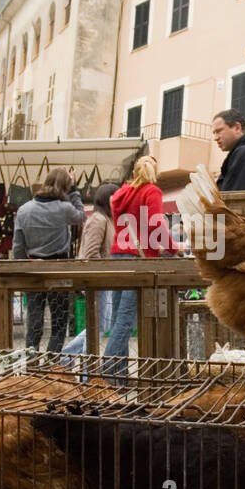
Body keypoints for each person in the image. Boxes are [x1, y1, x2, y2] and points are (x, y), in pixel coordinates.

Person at [104, 156, 173, 379]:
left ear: (134, 173)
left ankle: (119, 378)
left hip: (118, 255)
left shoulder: (122, 194)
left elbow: (122, 224)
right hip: (139, 258)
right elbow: (156, 222)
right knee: (126, 320)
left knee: (117, 318)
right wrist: (171, 247)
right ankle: (104, 376)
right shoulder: (151, 191)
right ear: (154, 173)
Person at [12, 167, 84, 353]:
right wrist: (75, 190)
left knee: (34, 319)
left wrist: (24, 266)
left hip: (33, 270)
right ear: (65, 187)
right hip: (59, 269)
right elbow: (81, 216)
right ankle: (52, 363)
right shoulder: (64, 209)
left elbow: (18, 247)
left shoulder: (23, 210)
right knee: (59, 321)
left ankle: (32, 361)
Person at [63, 182, 118, 357]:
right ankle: (67, 357)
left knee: (101, 325)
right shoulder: (98, 220)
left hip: (102, 279)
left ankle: (73, 360)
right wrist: (105, 272)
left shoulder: (104, 219)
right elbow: (91, 253)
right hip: (97, 279)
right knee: (99, 326)